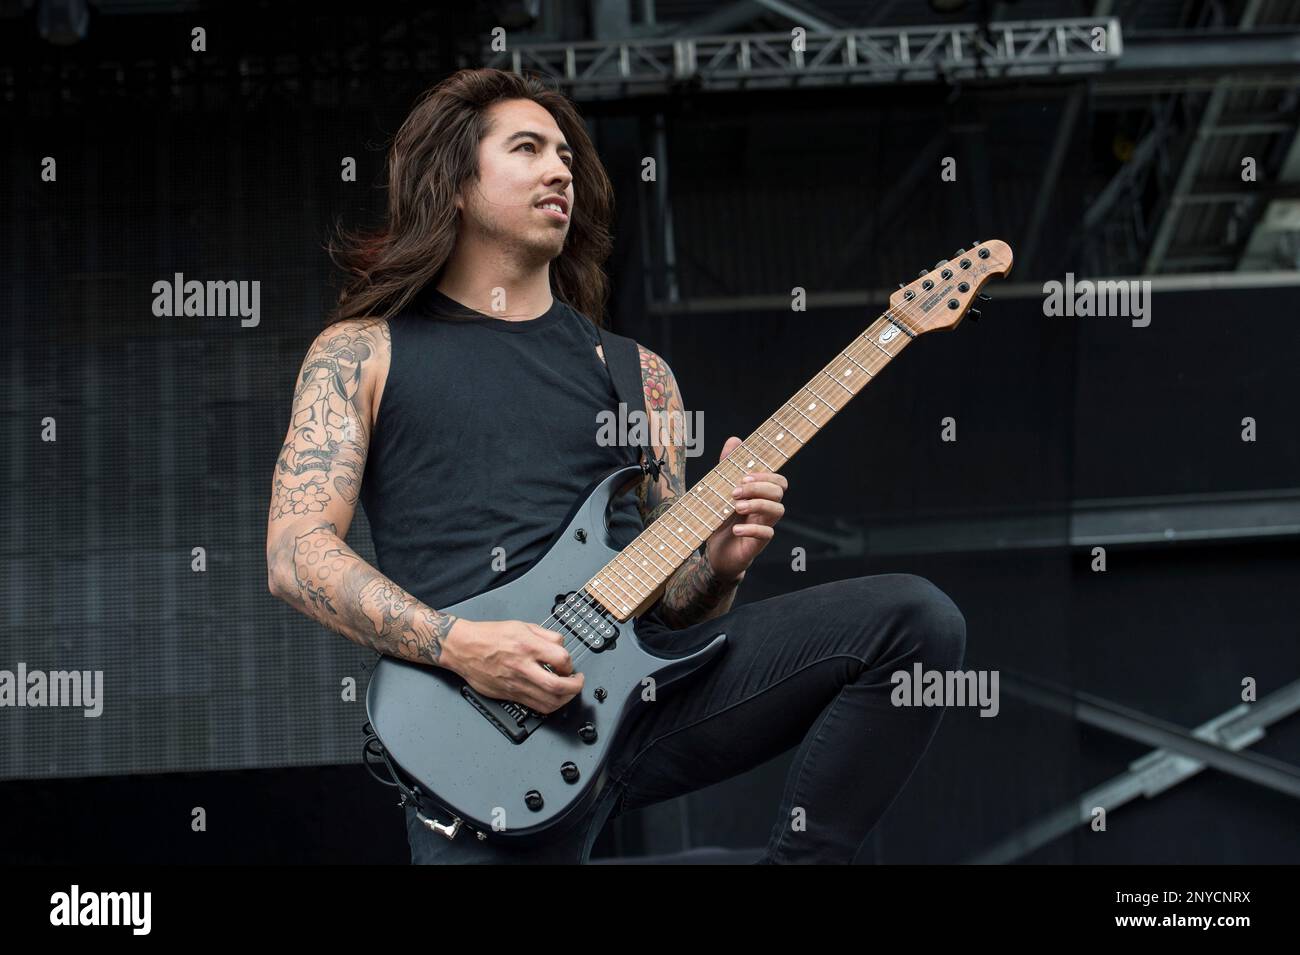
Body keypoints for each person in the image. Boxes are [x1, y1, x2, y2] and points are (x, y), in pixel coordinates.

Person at [265, 67, 966, 864]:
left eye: (565, 153)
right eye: (526, 148)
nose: (559, 168)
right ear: (453, 183)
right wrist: (461, 645)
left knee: (914, 621)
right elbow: (295, 555)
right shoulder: (364, 352)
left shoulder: (639, 376)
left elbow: (675, 611)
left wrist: (723, 565)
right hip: (479, 740)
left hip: (639, 703)